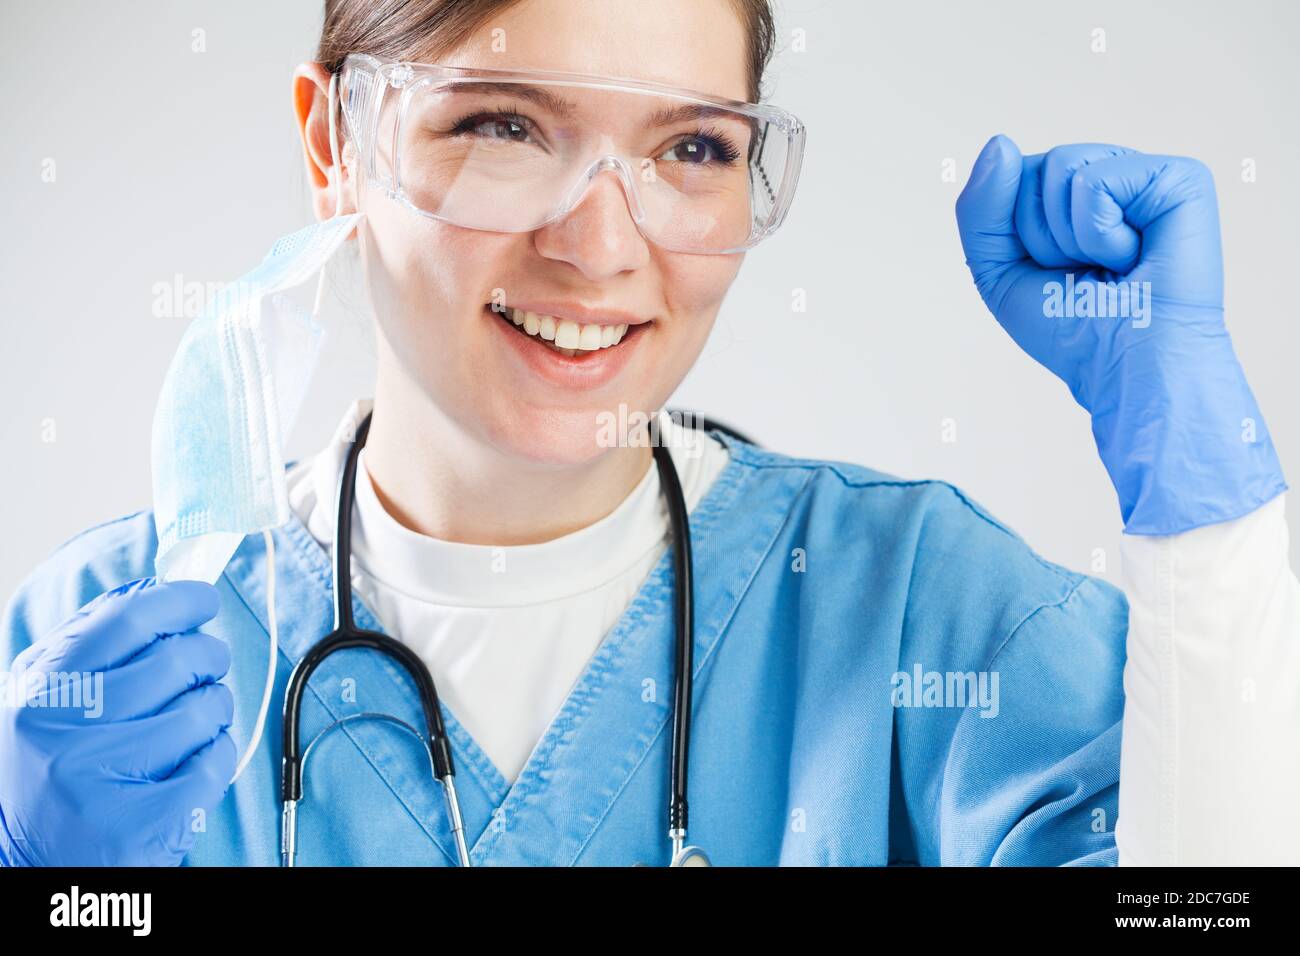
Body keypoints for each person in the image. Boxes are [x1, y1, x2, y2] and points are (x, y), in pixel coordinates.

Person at [1, 0, 1297, 867]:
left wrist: (1208, 528)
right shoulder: (109, 655)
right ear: (335, 145)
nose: (601, 248)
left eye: (689, 146)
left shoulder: (925, 618)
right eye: (503, 127)